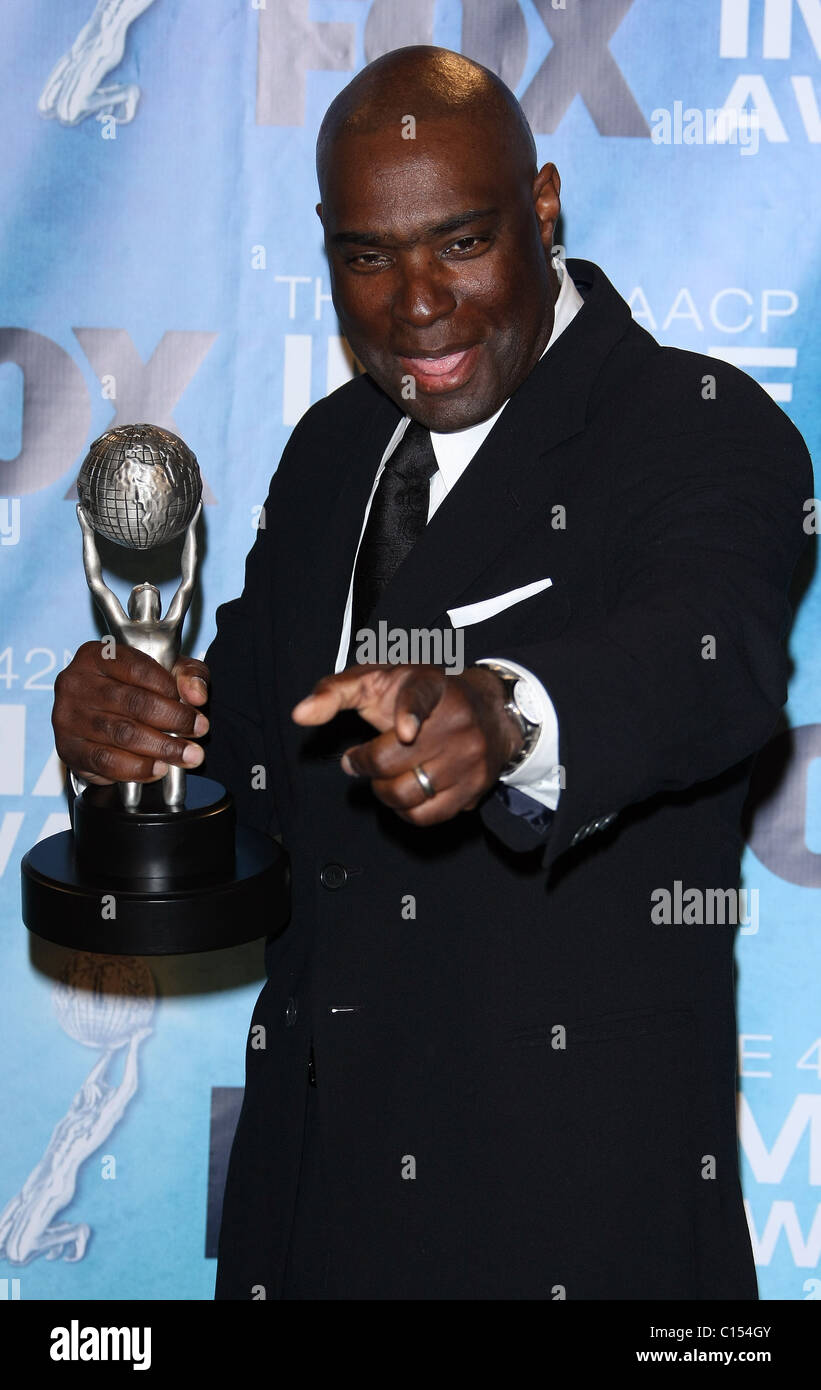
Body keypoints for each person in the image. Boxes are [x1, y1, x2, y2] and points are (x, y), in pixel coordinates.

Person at [52, 46, 813, 1300]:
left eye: (460, 243)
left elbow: (708, 659)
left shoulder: (692, 421)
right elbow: (248, 767)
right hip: (305, 1223)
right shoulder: (333, 449)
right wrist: (131, 733)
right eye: (368, 256)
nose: (416, 303)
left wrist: (505, 713)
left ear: (545, 207)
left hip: (568, 1235)